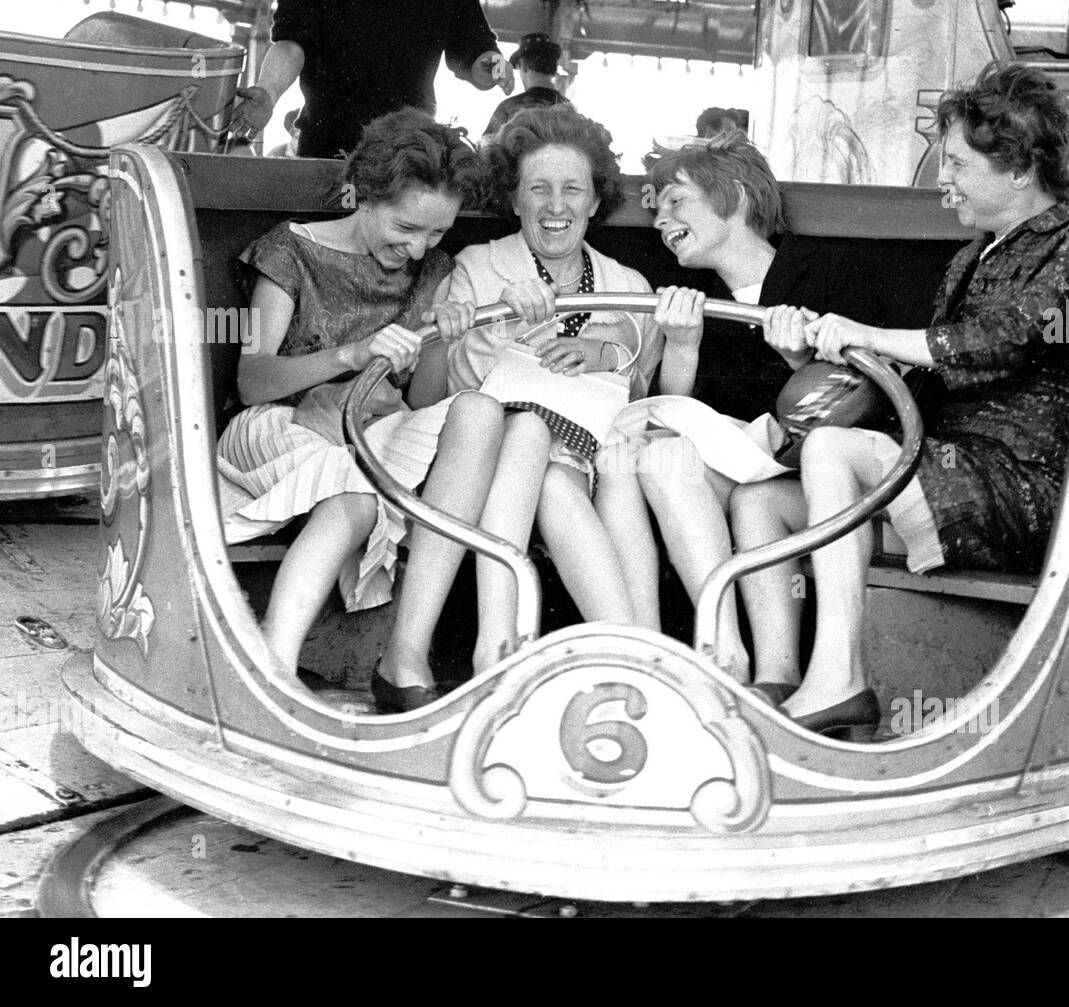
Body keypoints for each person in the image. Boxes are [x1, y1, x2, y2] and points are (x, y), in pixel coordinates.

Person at [729, 63, 1069, 734]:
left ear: (1020, 168)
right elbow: (923, 383)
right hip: (947, 474)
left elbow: (1007, 339)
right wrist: (811, 358)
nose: (944, 178)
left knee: (832, 450)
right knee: (757, 501)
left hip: (1020, 490)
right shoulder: (974, 255)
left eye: (958, 164)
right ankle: (779, 682)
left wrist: (869, 334)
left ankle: (840, 679)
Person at [217, 109, 541, 714]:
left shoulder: (434, 271)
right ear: (364, 195)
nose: (417, 248)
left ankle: (409, 652)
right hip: (279, 424)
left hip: (369, 430)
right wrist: (352, 354)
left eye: (437, 234)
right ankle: (271, 667)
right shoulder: (291, 252)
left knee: (477, 411)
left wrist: (441, 339)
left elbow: (421, 401)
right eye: (406, 227)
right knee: (356, 495)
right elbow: (254, 380)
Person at [599, 132, 888, 684]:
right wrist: (683, 346)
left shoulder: (831, 270)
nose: (661, 220)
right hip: (738, 473)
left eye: (676, 200)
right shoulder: (690, 296)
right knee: (650, 458)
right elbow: (676, 414)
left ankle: (695, 653)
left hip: (824, 479)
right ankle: (711, 649)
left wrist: (796, 359)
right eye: (656, 209)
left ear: (733, 195)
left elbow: (874, 401)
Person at [429, 105, 663, 672]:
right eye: (539, 188)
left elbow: (638, 404)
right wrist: (502, 326)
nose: (556, 206)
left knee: (562, 479)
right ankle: (638, 656)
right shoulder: (476, 267)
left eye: (572, 189)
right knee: (544, 464)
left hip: (584, 463)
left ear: (595, 201)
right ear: (515, 199)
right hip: (490, 465)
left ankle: (616, 655)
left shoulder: (628, 285)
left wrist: (606, 354)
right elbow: (444, 396)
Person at [228, 0, 515, 158]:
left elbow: (475, 53)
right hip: (329, 151)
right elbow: (291, 44)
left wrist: (492, 65)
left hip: (409, 155)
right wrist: (268, 91)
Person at [483, 33, 570, 140]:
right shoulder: (569, 109)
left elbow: (486, 144)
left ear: (522, 65)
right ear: (554, 65)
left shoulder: (508, 107)